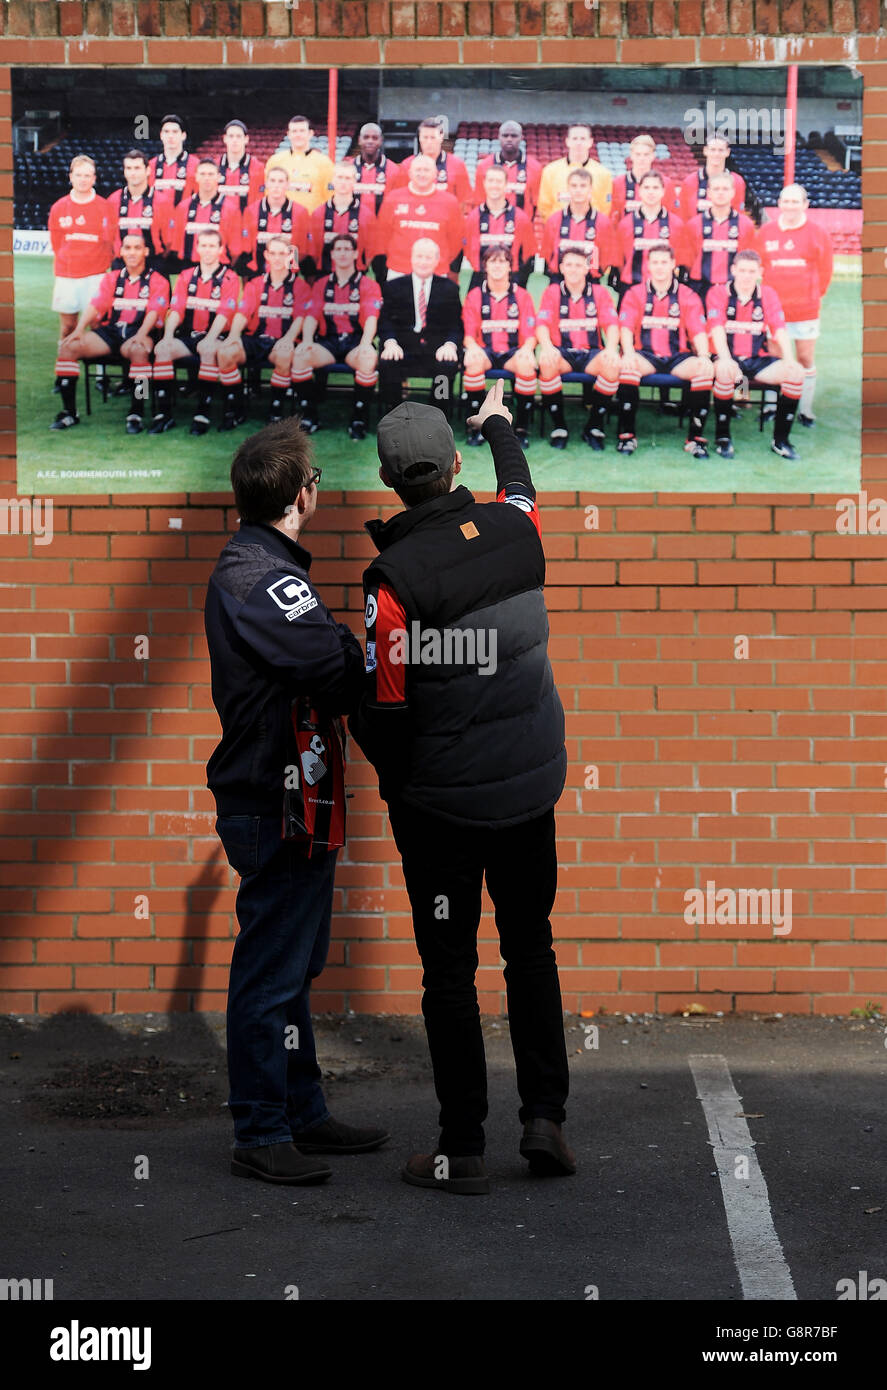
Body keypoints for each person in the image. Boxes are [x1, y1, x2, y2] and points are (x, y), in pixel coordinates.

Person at [348, 381, 572, 1196]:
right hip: (528, 794)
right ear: (450, 465)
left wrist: (396, 780)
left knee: (448, 973)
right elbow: (520, 486)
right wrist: (500, 422)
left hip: (441, 810)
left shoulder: (392, 579)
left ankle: (461, 1147)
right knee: (529, 948)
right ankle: (544, 1116)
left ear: (391, 479)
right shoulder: (516, 527)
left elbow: (388, 706)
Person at [205, 419, 387, 1186]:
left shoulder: (262, 565)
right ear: (302, 495)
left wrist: (334, 642)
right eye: (315, 477)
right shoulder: (261, 574)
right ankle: (261, 1129)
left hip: (291, 796)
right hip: (271, 797)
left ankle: (301, 1113)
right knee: (270, 974)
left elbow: (322, 655)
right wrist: (346, 644)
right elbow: (333, 666)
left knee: (293, 966)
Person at [50, 232, 169, 434]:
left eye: (137, 248)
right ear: (121, 251)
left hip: (138, 332)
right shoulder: (112, 278)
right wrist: (79, 330)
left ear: (146, 251)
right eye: (128, 248)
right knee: (68, 347)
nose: (132, 252)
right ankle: (69, 412)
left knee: (139, 351)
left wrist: (141, 334)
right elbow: (96, 305)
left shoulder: (158, 281)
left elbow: (154, 312)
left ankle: (136, 412)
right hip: (111, 332)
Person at [616, 241, 714, 458]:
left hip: (678, 356)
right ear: (648, 266)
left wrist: (705, 357)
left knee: (703, 371)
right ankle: (627, 435)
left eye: (664, 262)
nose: (659, 267)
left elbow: (698, 331)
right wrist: (629, 353)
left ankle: (695, 439)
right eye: (655, 263)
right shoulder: (634, 293)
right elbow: (626, 328)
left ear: (673, 265)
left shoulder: (688, 295)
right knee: (627, 369)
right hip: (646, 355)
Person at [706, 248, 805, 460]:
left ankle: (781, 441)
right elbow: (716, 330)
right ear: (733, 270)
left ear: (760, 272)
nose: (747, 276)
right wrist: (725, 358)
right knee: (725, 372)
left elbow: (779, 328)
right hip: (728, 357)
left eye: (752, 271)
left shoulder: (767, 294)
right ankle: (723, 438)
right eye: (742, 270)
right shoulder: (718, 292)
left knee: (795, 373)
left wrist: (789, 360)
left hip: (756, 360)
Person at [754, 182, 833, 427]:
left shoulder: (818, 233)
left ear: (805, 205)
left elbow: (825, 271)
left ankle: (805, 410)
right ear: (778, 204)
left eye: (795, 201)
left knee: (805, 358)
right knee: (775, 357)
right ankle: (770, 406)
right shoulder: (766, 232)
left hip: (805, 311)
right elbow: (759, 268)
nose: (790, 206)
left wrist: (810, 297)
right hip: (775, 312)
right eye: (785, 201)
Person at [216, 235, 314, 430]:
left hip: (283, 340)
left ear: (290, 256)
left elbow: (300, 318)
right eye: (273, 254)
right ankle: (235, 407)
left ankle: (275, 410)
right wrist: (234, 336)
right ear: (266, 256)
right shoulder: (255, 284)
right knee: (225, 352)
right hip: (256, 338)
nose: (277, 258)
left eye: (282, 254)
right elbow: (243, 314)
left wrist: (287, 339)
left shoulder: (300, 286)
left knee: (285, 354)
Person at [149, 228, 240, 435]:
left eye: (212, 246)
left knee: (208, 349)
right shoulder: (186, 276)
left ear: (220, 250)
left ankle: (202, 414)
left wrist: (209, 338)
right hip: (189, 336)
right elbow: (176, 310)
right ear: (197, 247)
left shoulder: (230, 278)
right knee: (163, 350)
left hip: (217, 336)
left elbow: (225, 313)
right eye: (204, 245)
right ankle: (163, 414)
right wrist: (168, 337)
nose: (207, 250)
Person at [291, 233, 382, 440]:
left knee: (368, 359)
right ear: (332, 254)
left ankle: (359, 418)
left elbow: (370, 319)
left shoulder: (367, 284)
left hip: (355, 341)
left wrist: (366, 344)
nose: (342, 254)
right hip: (328, 342)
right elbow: (312, 317)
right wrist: (306, 341)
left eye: (347, 249)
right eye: (338, 249)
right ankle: (309, 416)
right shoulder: (322, 284)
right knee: (300, 356)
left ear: (355, 254)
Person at [535, 246, 621, 451]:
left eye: (578, 265)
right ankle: (559, 427)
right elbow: (542, 325)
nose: (573, 270)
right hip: (562, 352)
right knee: (547, 363)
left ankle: (594, 426)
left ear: (587, 268)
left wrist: (610, 349)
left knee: (611, 366)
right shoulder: (553, 291)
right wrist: (547, 347)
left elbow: (612, 325)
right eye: (569, 265)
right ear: (562, 268)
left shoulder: (599, 292)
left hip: (591, 353)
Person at [377, 237, 463, 419]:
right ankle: (394, 414)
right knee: (388, 361)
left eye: (428, 257)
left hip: (436, 349)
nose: (423, 262)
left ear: (437, 260)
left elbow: (456, 324)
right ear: (412, 258)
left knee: (447, 365)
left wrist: (450, 345)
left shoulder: (449, 288)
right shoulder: (394, 287)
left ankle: (438, 414)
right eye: (419, 256)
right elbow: (385, 322)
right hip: (404, 348)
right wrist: (390, 343)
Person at [461, 243, 538, 447]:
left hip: (513, 352)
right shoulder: (475, 295)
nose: (497, 266)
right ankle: (476, 427)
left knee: (526, 365)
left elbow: (531, 334)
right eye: (492, 261)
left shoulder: (522, 295)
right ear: (485, 266)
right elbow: (468, 335)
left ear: (510, 267)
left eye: (502, 261)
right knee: (473, 363)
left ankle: (521, 429)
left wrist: (527, 350)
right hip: (485, 351)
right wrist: (473, 348)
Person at [48, 154, 112, 342]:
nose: (83, 180)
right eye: (79, 175)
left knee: (97, 325)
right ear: (71, 177)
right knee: (68, 326)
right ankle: (66, 369)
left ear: (94, 178)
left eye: (87, 175)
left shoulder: (105, 207)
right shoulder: (59, 207)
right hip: (67, 276)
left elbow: (110, 243)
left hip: (95, 276)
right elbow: (57, 244)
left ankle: (99, 371)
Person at [372, 154, 462, 280]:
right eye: (418, 170)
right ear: (409, 173)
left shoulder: (450, 202)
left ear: (435, 173)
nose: (422, 174)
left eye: (426, 170)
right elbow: (382, 236)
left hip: (436, 272)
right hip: (399, 270)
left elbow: (455, 241)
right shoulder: (393, 198)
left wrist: (437, 261)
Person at [614, 170, 690, 297]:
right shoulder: (625, 224)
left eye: (655, 188)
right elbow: (620, 261)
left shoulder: (677, 225)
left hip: (665, 290)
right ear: (639, 191)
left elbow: (681, 260)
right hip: (631, 289)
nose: (651, 192)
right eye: (647, 187)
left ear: (663, 191)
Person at [685, 170, 756, 301]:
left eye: (725, 189)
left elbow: (747, 257)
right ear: (709, 193)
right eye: (716, 189)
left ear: (733, 193)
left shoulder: (746, 224)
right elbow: (689, 260)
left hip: (734, 287)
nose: (720, 192)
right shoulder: (694, 224)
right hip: (700, 287)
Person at [462, 165, 536, 289]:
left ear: (506, 184)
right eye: (491, 181)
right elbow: (468, 250)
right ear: (484, 183)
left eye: (499, 181)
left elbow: (528, 252)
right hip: (480, 278)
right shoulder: (473, 217)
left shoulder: (521, 218)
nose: (494, 185)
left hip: (512, 278)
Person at [540, 166, 616, 283]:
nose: (578, 190)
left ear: (590, 189)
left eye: (583, 186)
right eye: (574, 186)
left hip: (591, 280)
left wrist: (595, 271)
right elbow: (547, 252)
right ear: (568, 189)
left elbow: (606, 256)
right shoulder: (554, 220)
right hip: (559, 280)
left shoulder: (603, 222)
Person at [165, 158, 242, 269]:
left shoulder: (231, 209)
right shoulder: (183, 207)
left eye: (211, 174)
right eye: (203, 174)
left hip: (219, 268)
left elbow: (235, 250)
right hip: (189, 268)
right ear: (196, 177)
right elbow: (177, 245)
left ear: (219, 177)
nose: (206, 178)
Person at [304, 162, 376, 279]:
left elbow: (370, 250)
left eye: (348, 178)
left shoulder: (366, 214)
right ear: (333, 180)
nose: (343, 182)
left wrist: (360, 268)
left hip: (355, 276)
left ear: (354, 181)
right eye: (340, 177)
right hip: (325, 275)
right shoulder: (318, 213)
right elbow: (313, 249)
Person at [238, 164, 311, 277]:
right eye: (272, 181)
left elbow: (301, 248)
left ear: (287, 184)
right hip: (258, 273)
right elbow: (247, 246)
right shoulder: (251, 210)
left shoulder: (300, 212)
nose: (276, 185)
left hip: (288, 273)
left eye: (280, 181)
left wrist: (290, 269)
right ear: (266, 183)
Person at [391, 117, 472, 212]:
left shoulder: (457, 165)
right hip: (415, 222)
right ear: (419, 138)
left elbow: (465, 200)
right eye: (425, 137)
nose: (429, 142)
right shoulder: (407, 165)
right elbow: (398, 199)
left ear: (441, 137)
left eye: (433, 137)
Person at [537, 121, 612, 222]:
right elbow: (544, 206)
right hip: (559, 231)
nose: (579, 143)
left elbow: (605, 207)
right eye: (575, 138)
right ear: (567, 141)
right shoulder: (550, 171)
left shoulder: (603, 173)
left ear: (590, 142)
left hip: (591, 231)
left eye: (583, 139)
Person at [472, 120, 542, 218]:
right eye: (505, 135)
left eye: (514, 136)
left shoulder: (535, 167)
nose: (509, 139)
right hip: (492, 226)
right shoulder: (484, 166)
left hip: (521, 226)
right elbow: (479, 200)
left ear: (521, 138)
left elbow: (536, 203)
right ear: (499, 137)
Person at [265, 115, 335, 214]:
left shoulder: (324, 162)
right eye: (294, 131)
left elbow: (329, 196)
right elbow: (267, 193)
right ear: (288, 134)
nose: (298, 135)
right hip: (282, 220)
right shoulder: (275, 161)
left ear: (310, 133)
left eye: (302, 131)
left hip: (311, 221)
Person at [106, 149, 164, 266]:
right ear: (124, 171)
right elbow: (108, 236)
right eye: (129, 168)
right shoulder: (113, 200)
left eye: (137, 168)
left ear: (147, 170)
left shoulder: (162, 200)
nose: (133, 173)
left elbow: (168, 240)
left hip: (153, 263)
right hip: (121, 264)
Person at [679, 133, 746, 223]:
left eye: (721, 150)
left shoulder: (737, 181)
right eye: (713, 150)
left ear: (727, 152)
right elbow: (683, 215)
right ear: (705, 151)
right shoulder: (690, 181)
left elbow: (738, 214)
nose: (716, 154)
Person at [147, 113, 199, 222]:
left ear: (183, 135)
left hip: (185, 222)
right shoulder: (151, 166)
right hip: (157, 223)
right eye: (166, 132)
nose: (170, 136)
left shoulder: (196, 165)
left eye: (175, 132)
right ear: (161, 135)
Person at [348, 122, 399, 215]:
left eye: (374, 138)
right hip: (354, 226)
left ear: (381, 141)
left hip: (382, 226)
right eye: (366, 137)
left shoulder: (394, 170)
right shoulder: (349, 168)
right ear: (359, 140)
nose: (370, 141)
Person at [217, 119, 265, 212]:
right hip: (220, 222)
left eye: (239, 136)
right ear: (225, 139)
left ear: (246, 139)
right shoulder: (215, 166)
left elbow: (259, 200)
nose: (234, 140)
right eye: (231, 136)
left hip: (246, 222)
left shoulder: (258, 167)